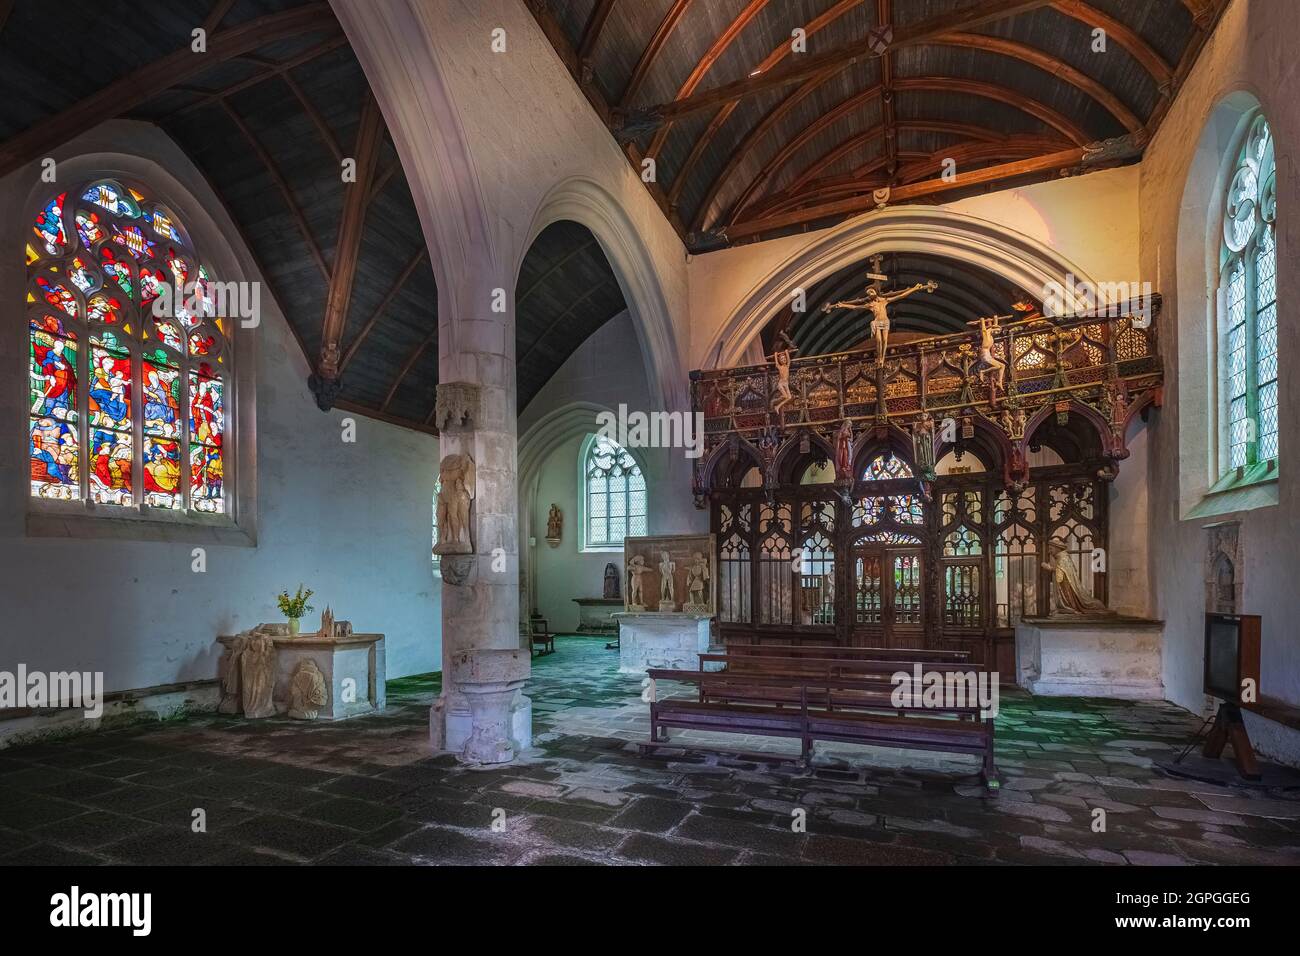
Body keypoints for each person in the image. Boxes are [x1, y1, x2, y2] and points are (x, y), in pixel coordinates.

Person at [824, 280, 938, 365]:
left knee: (885, 340)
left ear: (875, 292)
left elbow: (900, 296)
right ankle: (879, 358)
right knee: (878, 340)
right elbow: (855, 307)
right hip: (878, 322)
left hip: (885, 321)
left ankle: (882, 358)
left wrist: (914, 288)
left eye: (871, 291)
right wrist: (843, 305)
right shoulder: (870, 305)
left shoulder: (884, 301)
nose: (870, 293)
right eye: (868, 293)